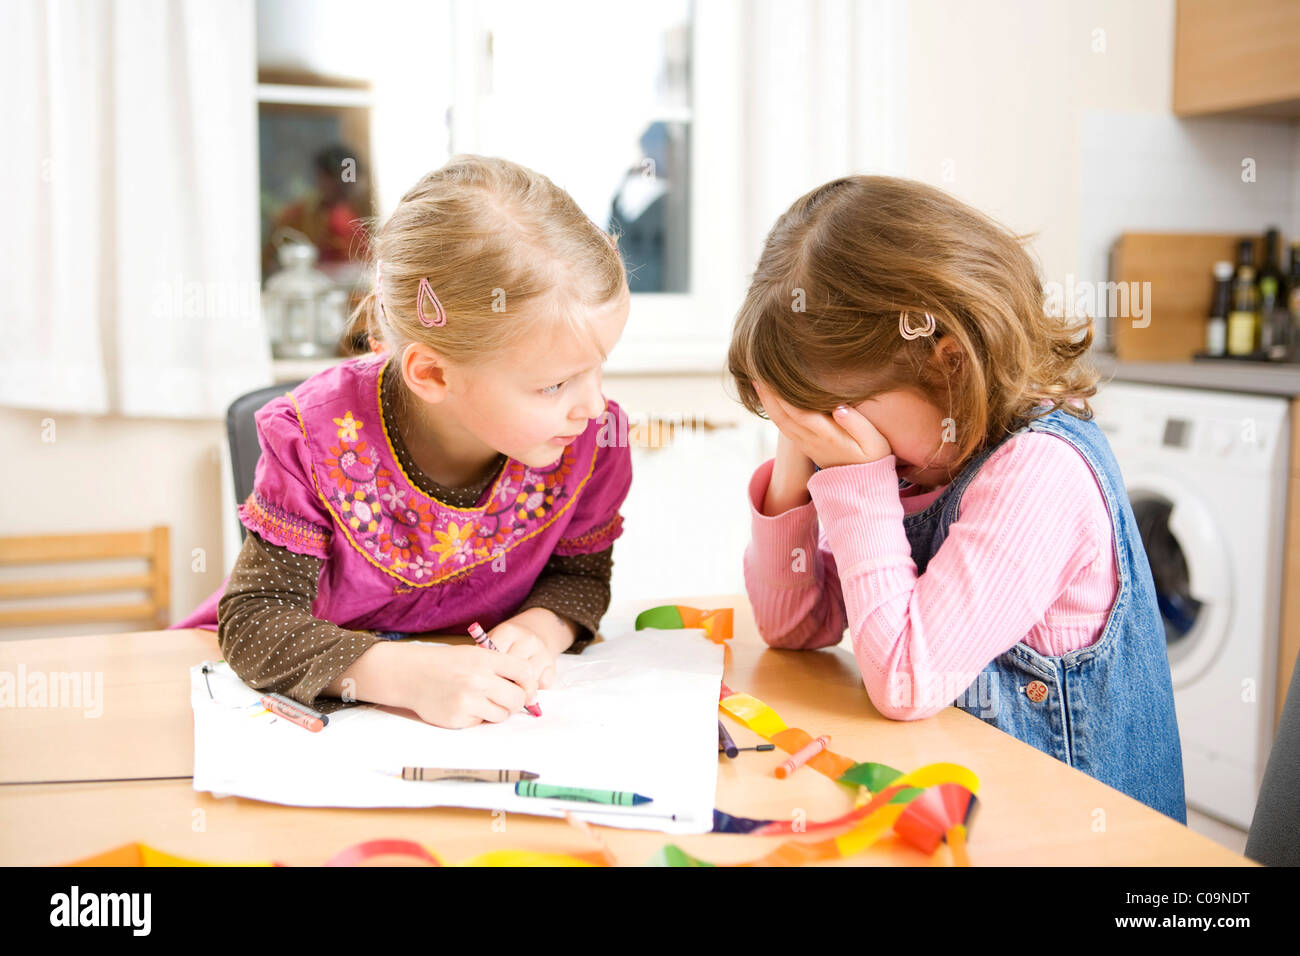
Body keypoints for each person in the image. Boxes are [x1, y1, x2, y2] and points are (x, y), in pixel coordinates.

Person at [728, 174, 1187, 823]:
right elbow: (796, 625)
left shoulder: (1038, 472)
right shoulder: (917, 461)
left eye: (835, 413)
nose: (832, 434)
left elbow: (907, 681)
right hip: (983, 811)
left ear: (950, 364)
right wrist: (795, 452)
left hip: (1081, 835)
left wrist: (856, 481)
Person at [177, 155, 633, 731]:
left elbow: (580, 577)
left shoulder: (590, 439)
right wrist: (402, 675)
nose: (592, 405)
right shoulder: (311, 441)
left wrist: (539, 628)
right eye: (553, 384)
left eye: (599, 368)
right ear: (433, 374)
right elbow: (254, 620)